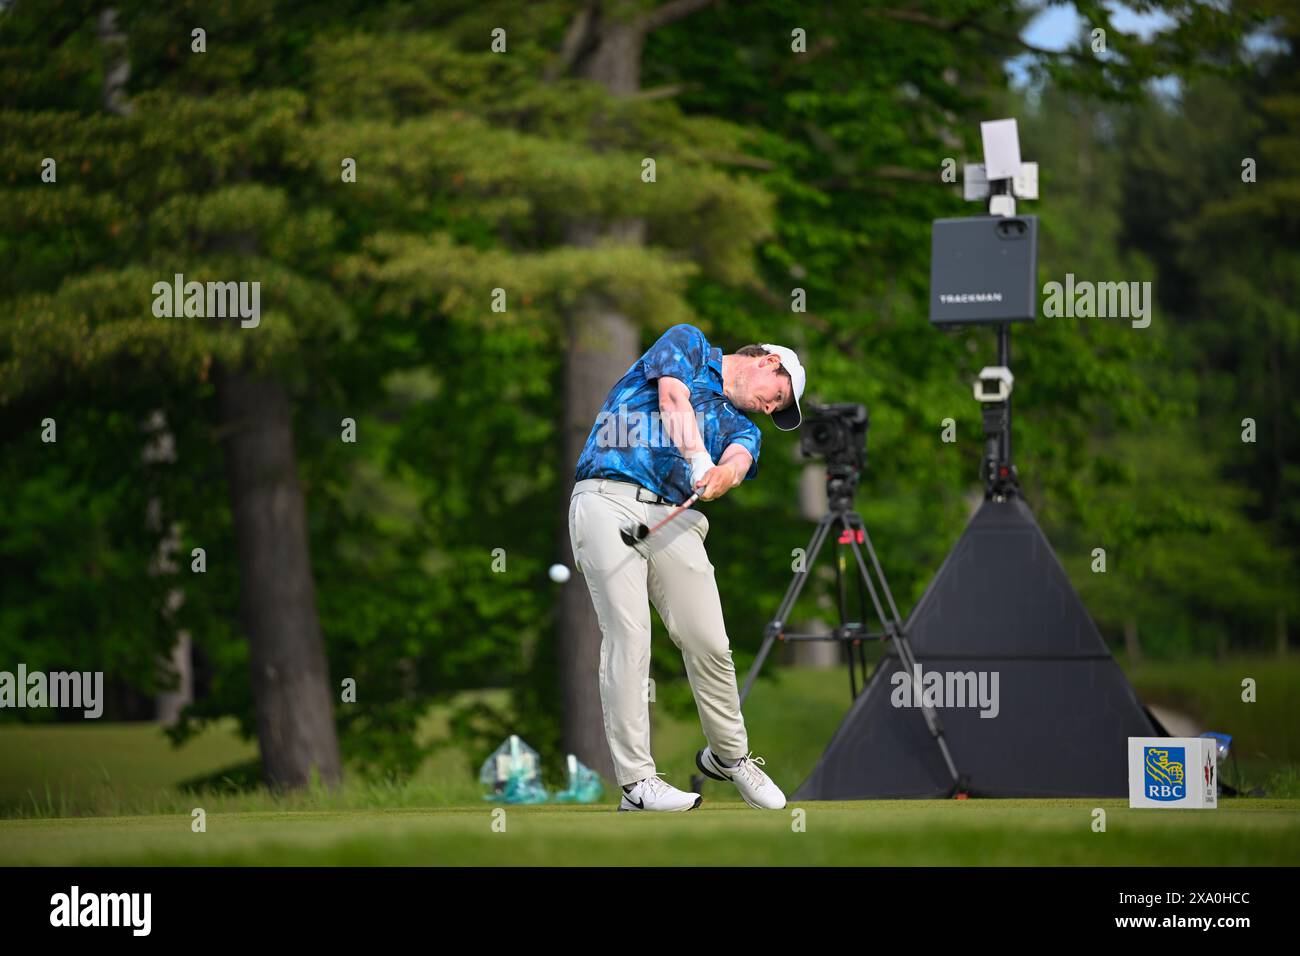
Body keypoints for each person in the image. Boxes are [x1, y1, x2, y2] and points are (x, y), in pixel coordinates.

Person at [567, 323, 807, 811]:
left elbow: (740, 458)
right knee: (630, 636)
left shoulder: (742, 426)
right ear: (766, 361)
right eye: (775, 396)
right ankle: (637, 784)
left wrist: (725, 473)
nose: (768, 408)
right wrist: (700, 461)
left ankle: (730, 757)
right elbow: (673, 397)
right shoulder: (690, 344)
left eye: (776, 409)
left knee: (710, 641)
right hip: (606, 499)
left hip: (672, 519)